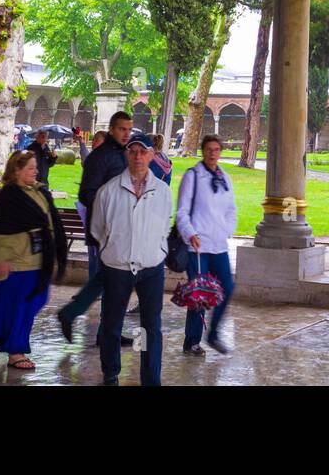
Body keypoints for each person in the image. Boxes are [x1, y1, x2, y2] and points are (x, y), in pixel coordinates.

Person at [89, 134, 172, 385]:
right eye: (133, 151)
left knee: (150, 328)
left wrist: (156, 249)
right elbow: (98, 229)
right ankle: (111, 372)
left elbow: (164, 227)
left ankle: (150, 377)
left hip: (151, 267)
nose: (138, 156)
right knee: (112, 324)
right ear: (127, 154)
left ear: (152, 155)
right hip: (118, 266)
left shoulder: (163, 192)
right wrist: (114, 249)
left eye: (143, 152)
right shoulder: (108, 190)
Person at [0, 149, 67, 370]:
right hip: (18, 261)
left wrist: (58, 251)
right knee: (21, 307)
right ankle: (15, 351)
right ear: (17, 171)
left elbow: (51, 221)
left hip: (39, 259)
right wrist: (1, 260)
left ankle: (8, 339)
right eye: (30, 168)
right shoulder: (6, 197)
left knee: (35, 301)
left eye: (35, 167)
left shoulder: (39, 191)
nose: (36, 171)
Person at [57, 111, 132, 340]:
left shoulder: (123, 155)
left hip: (120, 227)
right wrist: (110, 210)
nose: (126, 134)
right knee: (113, 278)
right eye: (122, 129)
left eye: (129, 130)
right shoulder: (100, 157)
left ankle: (103, 329)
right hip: (105, 228)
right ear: (112, 129)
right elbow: (86, 194)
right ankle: (88, 321)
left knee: (110, 279)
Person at [176, 134, 238, 355]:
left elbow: (231, 209)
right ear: (203, 151)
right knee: (199, 294)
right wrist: (190, 233)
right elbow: (182, 211)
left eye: (216, 149)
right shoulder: (192, 176)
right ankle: (192, 341)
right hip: (198, 247)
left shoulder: (225, 178)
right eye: (209, 149)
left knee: (227, 287)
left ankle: (214, 333)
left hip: (219, 245)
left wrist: (226, 229)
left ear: (220, 152)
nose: (213, 153)